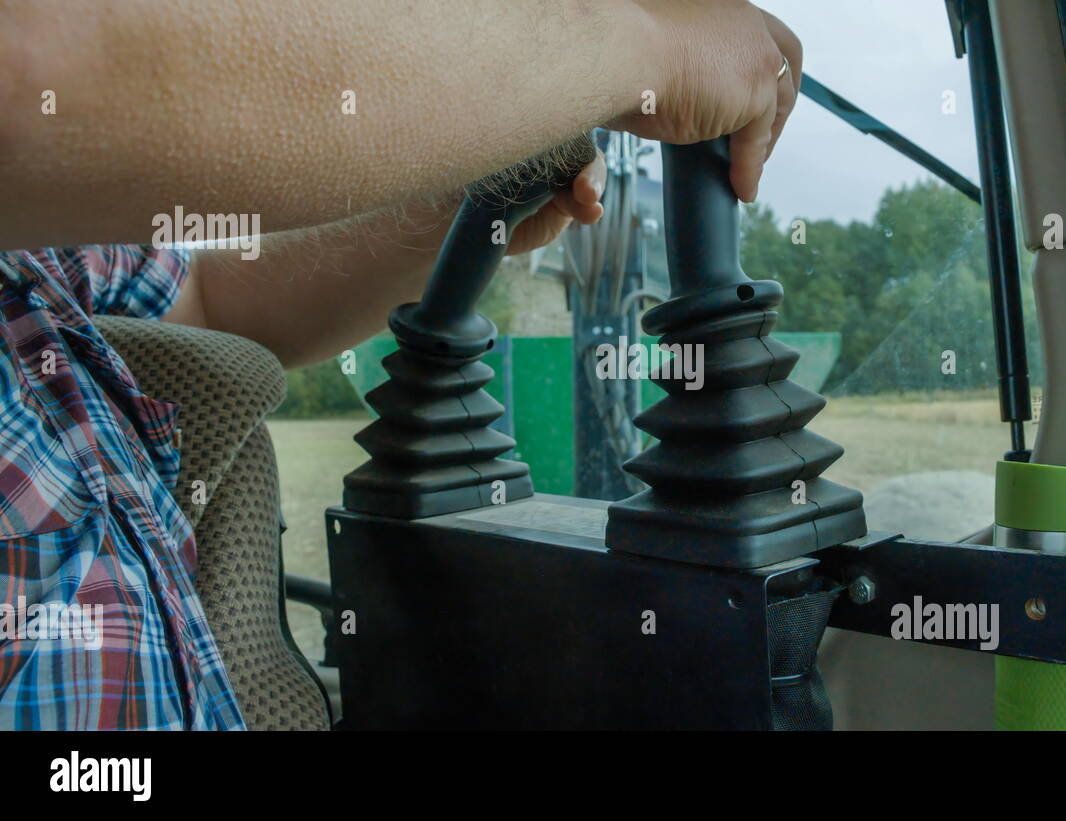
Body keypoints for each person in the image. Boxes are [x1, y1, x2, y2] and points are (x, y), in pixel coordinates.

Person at [0, 0, 802, 728]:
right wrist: (646, 44)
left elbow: (214, 300)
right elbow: (25, 62)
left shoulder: (31, 256)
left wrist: (468, 208)